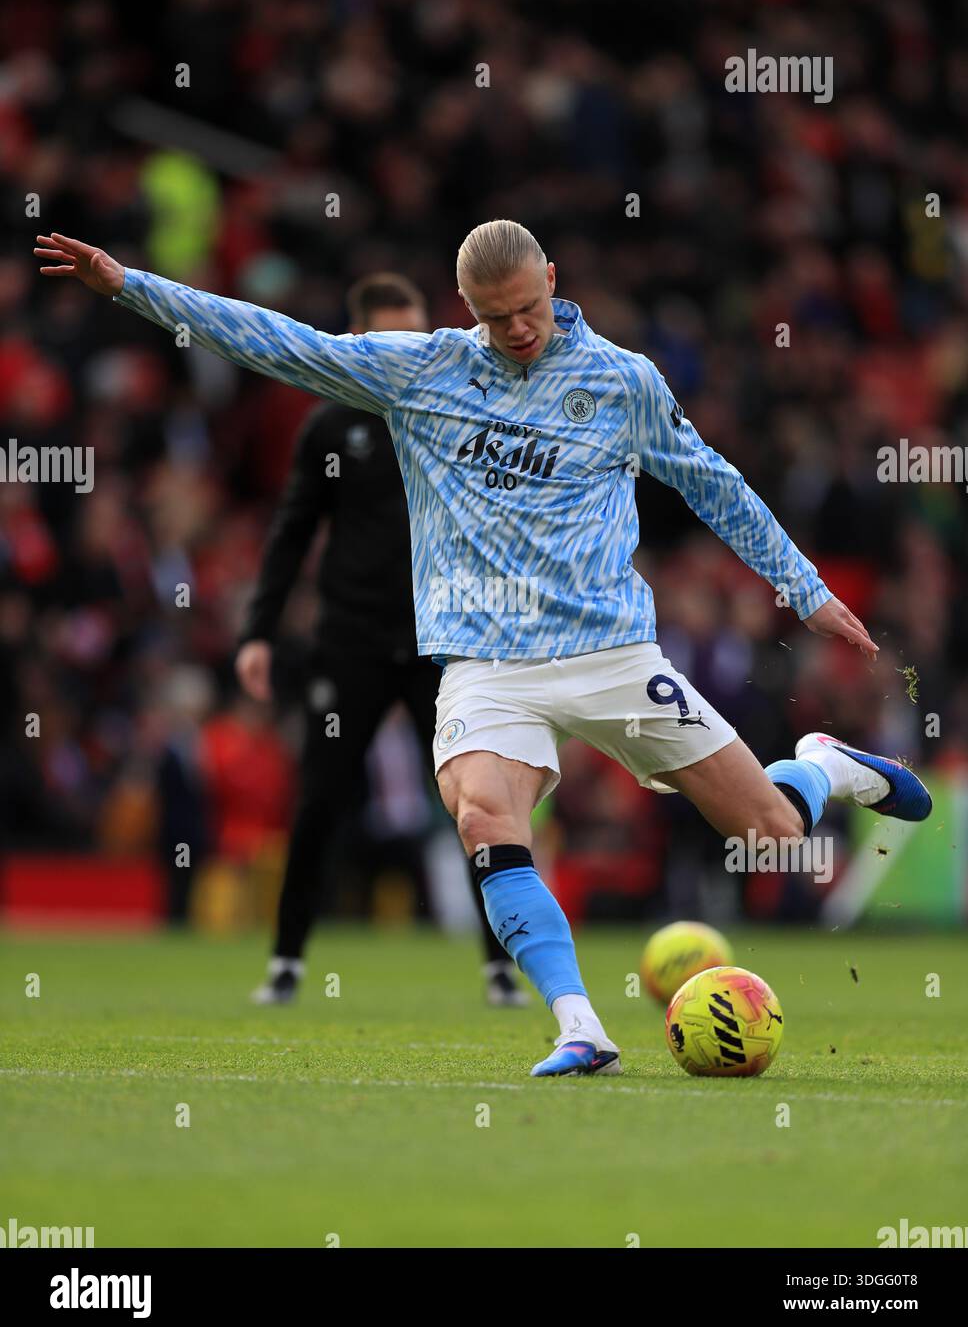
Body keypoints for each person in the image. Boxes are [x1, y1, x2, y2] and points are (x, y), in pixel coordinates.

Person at [34, 221, 932, 1078]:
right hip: (485, 666)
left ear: (552, 281)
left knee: (769, 834)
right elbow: (278, 341)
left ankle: (823, 766)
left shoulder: (624, 382)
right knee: (483, 819)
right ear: (464, 308)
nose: (514, 330)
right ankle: (578, 1024)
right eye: (492, 316)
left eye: (525, 309)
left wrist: (807, 591)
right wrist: (131, 288)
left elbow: (718, 487)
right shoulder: (421, 371)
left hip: (611, 653)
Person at [234, 271, 527, 1006]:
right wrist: (259, 630)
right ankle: (287, 963)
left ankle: (499, 966)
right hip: (353, 639)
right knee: (321, 799)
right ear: (358, 341)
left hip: (443, 641)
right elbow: (292, 529)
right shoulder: (332, 426)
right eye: (390, 338)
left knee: (479, 801)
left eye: (417, 336)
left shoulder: (455, 417)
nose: (408, 352)